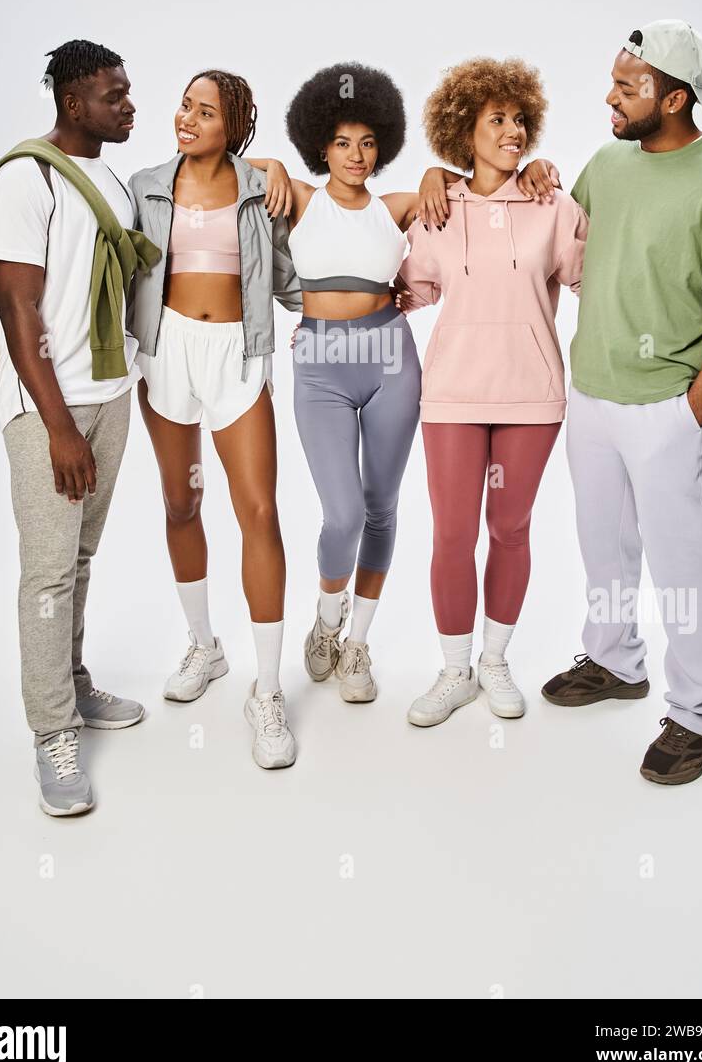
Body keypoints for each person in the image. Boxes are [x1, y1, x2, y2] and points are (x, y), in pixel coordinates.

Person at [433, 21, 702, 784]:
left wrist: (693, 408)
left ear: (675, 98)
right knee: (604, 542)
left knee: (686, 563)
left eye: (628, 87)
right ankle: (616, 661)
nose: (609, 97)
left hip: (666, 403)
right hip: (588, 391)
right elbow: (530, 219)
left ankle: (698, 714)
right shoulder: (606, 163)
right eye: (613, 81)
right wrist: (441, 177)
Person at [0, 39, 160, 816]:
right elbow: (18, 309)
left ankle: (70, 682)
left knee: (80, 555)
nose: (129, 105)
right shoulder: (25, 177)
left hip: (108, 392)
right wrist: (60, 429)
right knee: (46, 572)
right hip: (51, 407)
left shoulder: (106, 178)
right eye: (116, 95)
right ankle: (52, 732)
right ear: (74, 102)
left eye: (130, 93)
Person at [395, 58, 586, 726]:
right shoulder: (437, 210)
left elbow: (598, 281)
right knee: (451, 534)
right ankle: (454, 671)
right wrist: (328, 316)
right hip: (451, 397)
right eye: (496, 119)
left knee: (509, 529)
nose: (513, 131)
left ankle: (495, 660)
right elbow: (403, 295)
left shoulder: (552, 206)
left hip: (531, 396)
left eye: (519, 119)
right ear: (462, 129)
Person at [128, 70, 303, 770]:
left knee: (259, 511)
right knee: (180, 502)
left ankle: (267, 690)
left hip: (238, 352)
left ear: (234, 125)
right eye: (184, 105)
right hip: (166, 347)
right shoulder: (143, 185)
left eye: (205, 112)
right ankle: (204, 645)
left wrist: (348, 309)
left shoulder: (262, 188)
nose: (187, 118)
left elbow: (291, 276)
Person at [250, 63, 422, 704]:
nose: (355, 155)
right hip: (320, 362)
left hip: (390, 359)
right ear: (320, 144)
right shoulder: (297, 195)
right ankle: (326, 622)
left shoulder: (394, 207)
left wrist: (436, 175)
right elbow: (225, 167)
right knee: (342, 513)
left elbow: (467, 190)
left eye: (368, 143)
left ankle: (359, 644)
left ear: (383, 149)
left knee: (380, 508)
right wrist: (267, 160)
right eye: (343, 142)